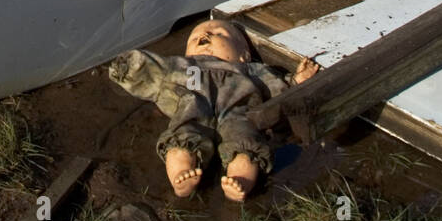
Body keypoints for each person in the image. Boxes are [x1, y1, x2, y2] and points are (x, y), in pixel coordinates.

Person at [108, 18, 319, 201]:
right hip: (194, 107)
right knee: (184, 134)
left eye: (219, 34)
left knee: (245, 138)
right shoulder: (185, 66)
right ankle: (181, 176)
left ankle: (240, 180)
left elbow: (275, 86)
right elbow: (156, 70)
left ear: (244, 55)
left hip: (238, 111)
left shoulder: (250, 70)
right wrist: (130, 67)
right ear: (187, 52)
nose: (205, 36)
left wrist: (296, 80)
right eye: (195, 37)